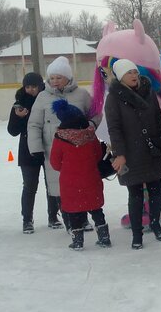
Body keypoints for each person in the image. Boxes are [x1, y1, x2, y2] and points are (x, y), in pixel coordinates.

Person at [105, 59, 161, 249]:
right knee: (135, 195)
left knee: (157, 191)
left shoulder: (148, 91)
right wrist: (120, 154)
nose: (133, 76)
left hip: (151, 149)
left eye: (134, 72)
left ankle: (155, 223)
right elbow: (114, 128)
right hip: (130, 152)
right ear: (120, 77)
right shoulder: (114, 97)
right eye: (128, 73)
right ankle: (137, 233)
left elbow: (158, 119)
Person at [27, 56, 93, 230]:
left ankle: (83, 217)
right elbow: (34, 124)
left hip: (79, 150)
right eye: (52, 78)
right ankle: (70, 219)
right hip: (53, 150)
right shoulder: (42, 97)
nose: (55, 81)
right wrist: (36, 148)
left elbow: (94, 115)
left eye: (59, 77)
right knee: (61, 186)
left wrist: (89, 127)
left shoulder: (82, 94)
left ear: (68, 77)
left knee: (80, 184)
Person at [48, 99, 110, 250]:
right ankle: (104, 237)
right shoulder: (91, 136)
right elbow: (97, 155)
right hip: (91, 177)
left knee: (74, 211)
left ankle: (77, 241)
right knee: (96, 208)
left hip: (70, 182)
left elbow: (55, 163)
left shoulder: (60, 138)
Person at [8, 72, 46, 233]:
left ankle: (54, 216)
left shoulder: (46, 100)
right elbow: (12, 131)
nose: (30, 90)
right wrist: (19, 118)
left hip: (48, 147)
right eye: (27, 87)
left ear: (40, 86)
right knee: (30, 186)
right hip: (27, 151)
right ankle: (27, 219)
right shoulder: (19, 104)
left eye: (34, 86)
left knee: (52, 184)